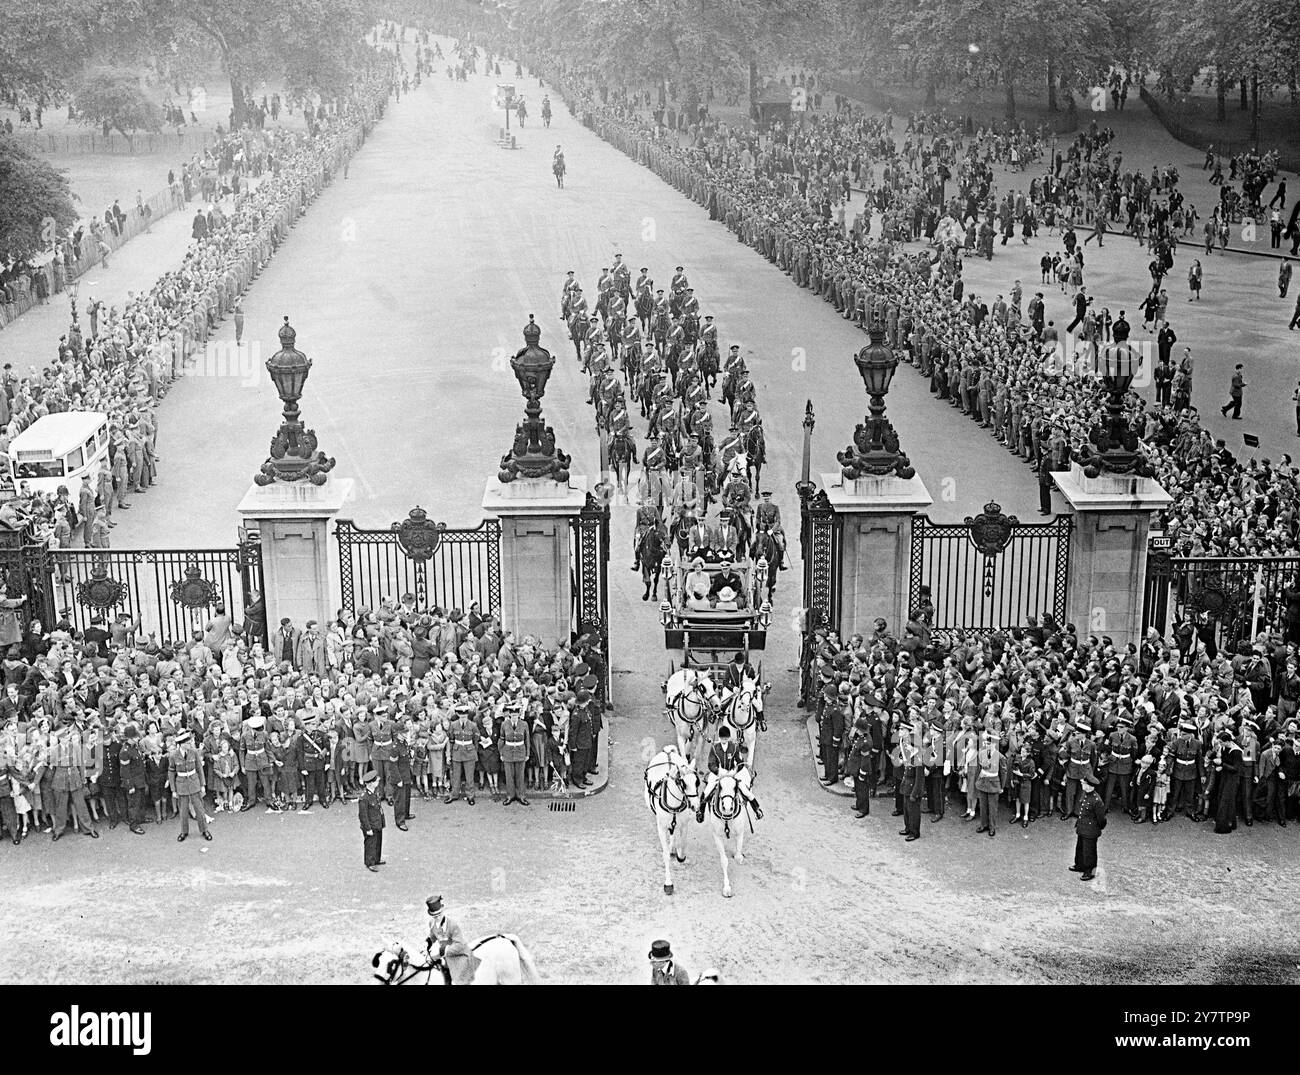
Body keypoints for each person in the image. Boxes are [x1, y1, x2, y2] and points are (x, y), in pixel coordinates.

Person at [168, 727, 210, 842]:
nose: (189, 744)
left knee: (200, 809)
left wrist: (202, 785)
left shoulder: (194, 752)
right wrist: (173, 790)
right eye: (187, 743)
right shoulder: (173, 755)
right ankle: (184, 831)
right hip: (181, 784)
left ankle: (204, 830)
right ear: (181, 744)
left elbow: (199, 769)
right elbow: (171, 772)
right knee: (183, 810)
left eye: (189, 742)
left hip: (194, 782)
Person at [425, 895, 477, 984]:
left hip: (458, 954)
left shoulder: (452, 924)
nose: (437, 918)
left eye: (439, 914)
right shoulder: (432, 923)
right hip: (444, 956)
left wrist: (445, 950)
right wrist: (427, 943)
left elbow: (459, 944)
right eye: (434, 916)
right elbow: (432, 936)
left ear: (443, 911)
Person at [1070, 766, 1106, 880]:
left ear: (1089, 786)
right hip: (1082, 827)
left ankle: (1090, 871)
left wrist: (1096, 828)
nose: (1082, 785)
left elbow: (1101, 819)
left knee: (1089, 851)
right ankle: (1080, 865)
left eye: (1083, 784)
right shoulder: (1085, 793)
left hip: (1091, 830)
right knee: (1080, 848)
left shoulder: (1096, 800)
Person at [499, 699, 530, 806]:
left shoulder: (524, 724)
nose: (514, 717)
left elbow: (527, 740)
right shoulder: (504, 724)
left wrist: (527, 754)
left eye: (516, 715)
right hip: (507, 752)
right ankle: (510, 796)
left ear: (519, 714)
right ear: (509, 715)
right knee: (509, 775)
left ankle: (521, 796)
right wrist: (501, 753)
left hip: (521, 751)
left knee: (520, 775)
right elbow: (501, 739)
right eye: (512, 715)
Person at [358, 768, 385, 871]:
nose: (378, 781)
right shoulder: (364, 797)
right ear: (370, 783)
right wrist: (367, 828)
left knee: (378, 842)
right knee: (370, 844)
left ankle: (376, 859)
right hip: (370, 825)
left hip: (377, 823)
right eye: (376, 781)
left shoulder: (374, 792)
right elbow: (363, 815)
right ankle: (370, 862)